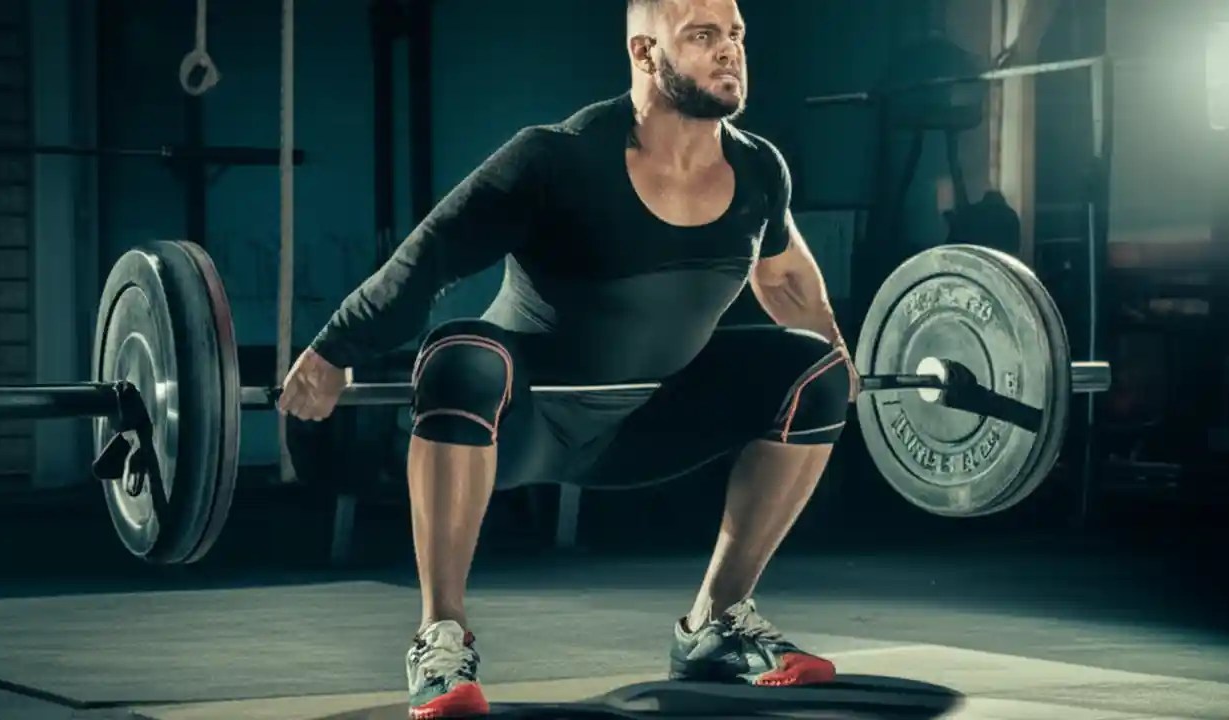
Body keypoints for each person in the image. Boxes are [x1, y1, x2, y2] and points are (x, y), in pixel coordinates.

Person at [279, 0, 860, 717]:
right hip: (524, 423)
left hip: (653, 417)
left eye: (736, 34)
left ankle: (716, 622)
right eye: (704, 36)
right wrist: (335, 350)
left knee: (815, 370)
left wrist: (838, 353)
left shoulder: (758, 167)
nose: (730, 51)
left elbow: (787, 277)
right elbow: (427, 260)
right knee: (461, 356)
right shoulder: (556, 158)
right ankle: (441, 638)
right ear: (646, 54)